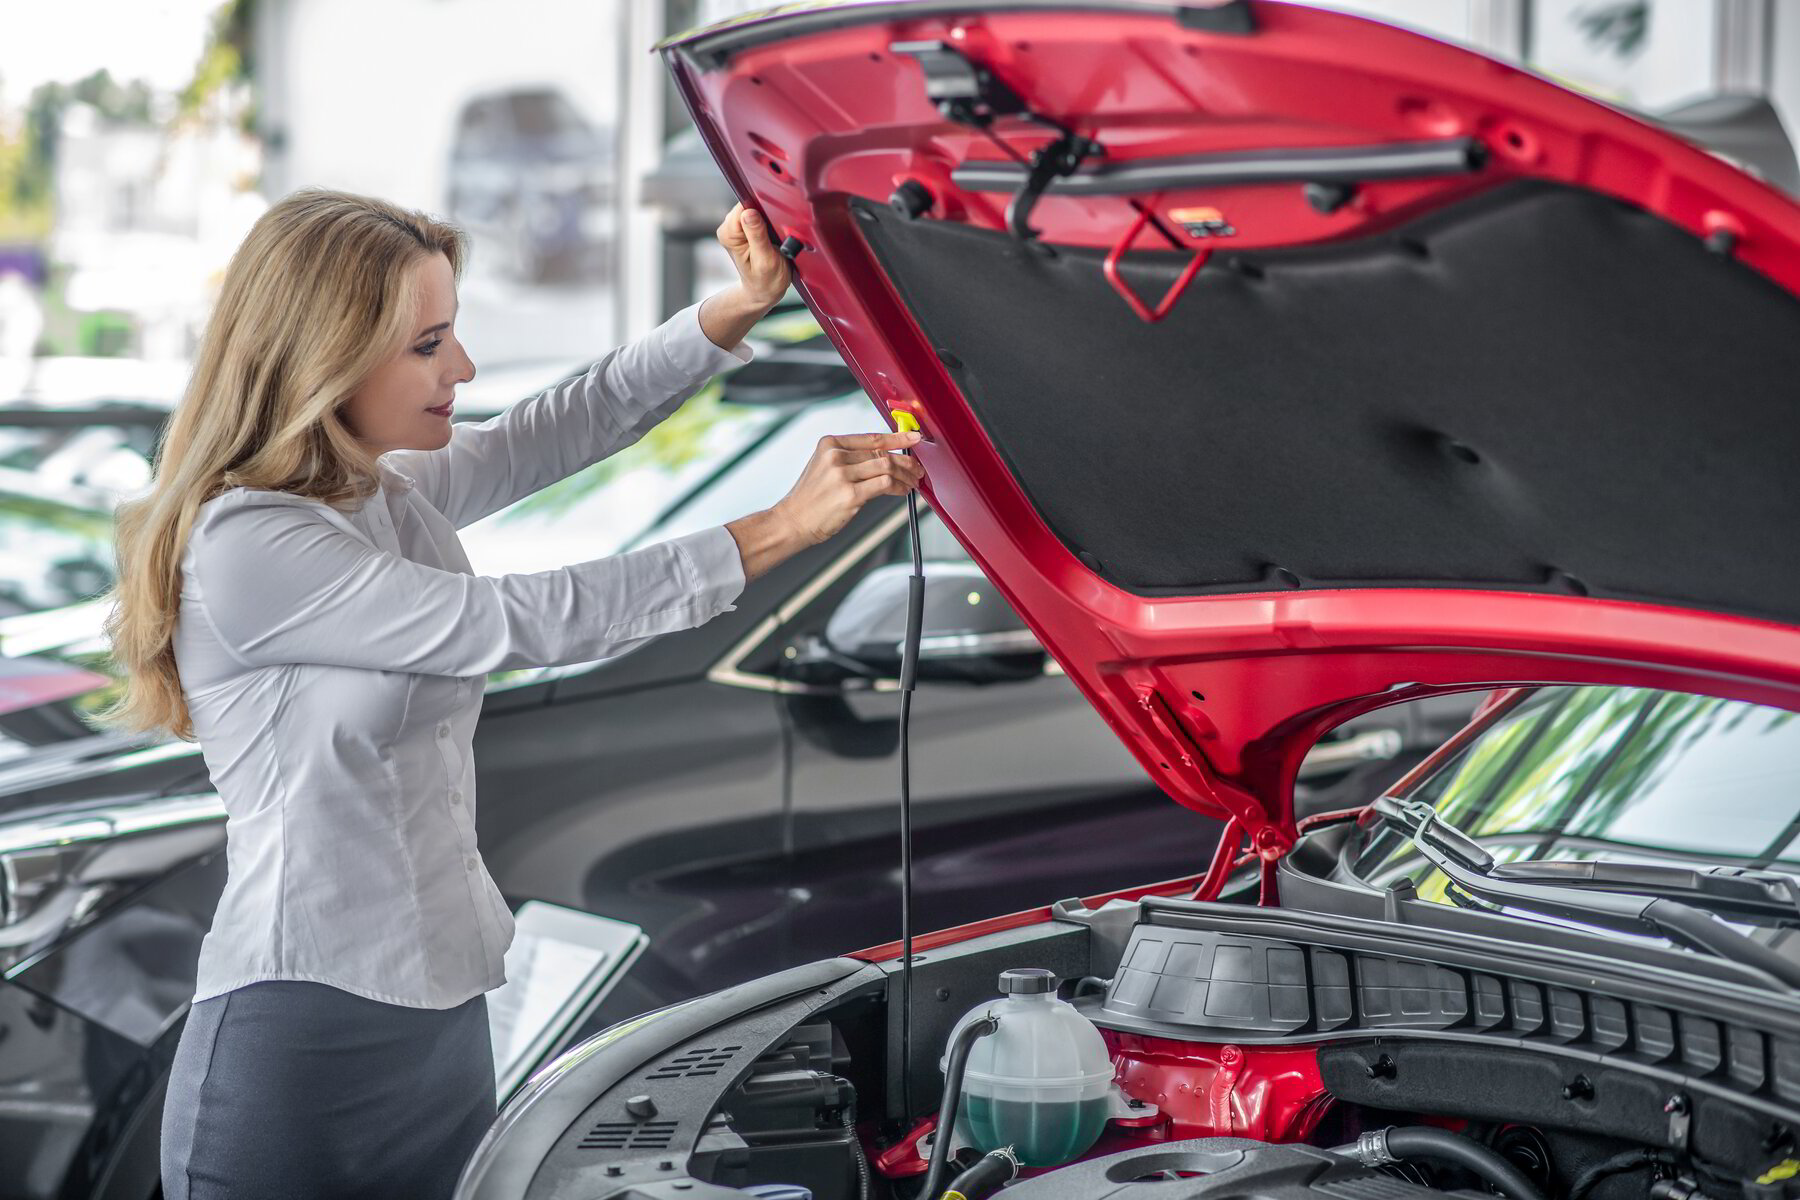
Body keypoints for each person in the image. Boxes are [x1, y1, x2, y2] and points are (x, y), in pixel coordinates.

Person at [95, 188, 923, 1200]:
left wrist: (733, 311)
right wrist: (780, 528)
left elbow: (556, 426)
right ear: (327, 355)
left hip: (441, 1012)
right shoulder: (249, 543)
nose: (464, 369)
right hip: (296, 1036)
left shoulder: (374, 490)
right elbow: (513, 623)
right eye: (430, 344)